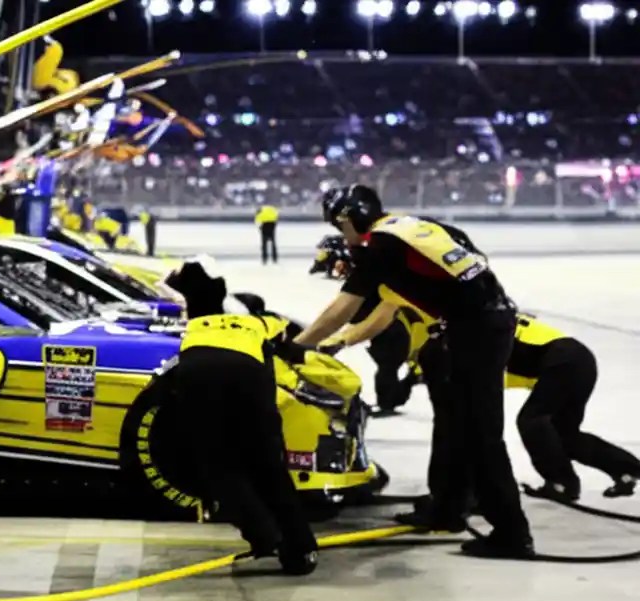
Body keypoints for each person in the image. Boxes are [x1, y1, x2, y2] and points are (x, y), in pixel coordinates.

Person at [295, 185, 533, 559]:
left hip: (476, 332)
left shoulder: (380, 245)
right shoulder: (415, 229)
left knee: (480, 434)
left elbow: (343, 307)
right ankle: (448, 509)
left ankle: (511, 533)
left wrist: (298, 344)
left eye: (341, 228)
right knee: (456, 424)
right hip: (481, 325)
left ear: (347, 219)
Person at [164, 261, 319, 575]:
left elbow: (170, 285)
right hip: (249, 373)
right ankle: (301, 550)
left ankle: (263, 534)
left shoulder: (193, 325)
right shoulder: (259, 324)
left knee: (219, 464)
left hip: (199, 368)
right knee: (269, 466)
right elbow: (297, 345)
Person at [506, 313, 640, 501]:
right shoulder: (492, 321)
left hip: (563, 360)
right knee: (562, 435)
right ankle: (625, 468)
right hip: (579, 360)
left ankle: (562, 483)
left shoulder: (480, 334)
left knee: (532, 421)